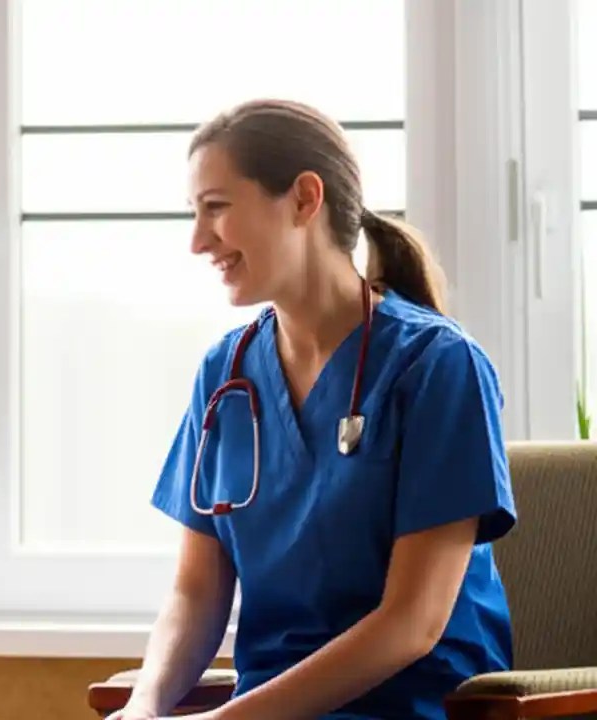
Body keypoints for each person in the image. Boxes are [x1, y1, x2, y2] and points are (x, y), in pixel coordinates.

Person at [112, 100, 516, 720]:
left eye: (216, 207)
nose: (197, 240)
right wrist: (144, 706)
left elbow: (411, 624)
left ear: (304, 198)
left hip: (412, 706)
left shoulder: (438, 366)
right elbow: (196, 594)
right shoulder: (226, 375)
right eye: (194, 213)